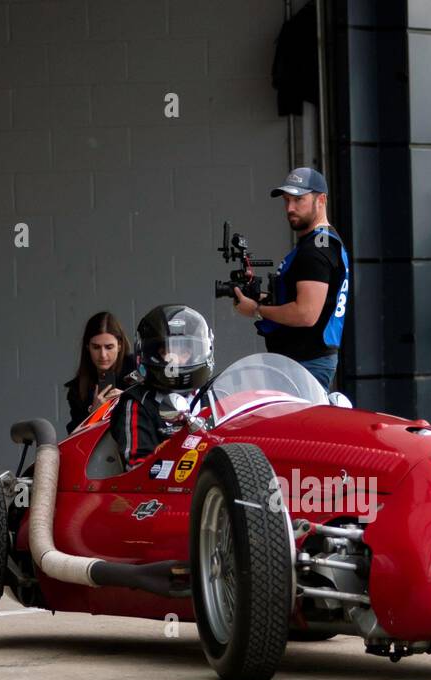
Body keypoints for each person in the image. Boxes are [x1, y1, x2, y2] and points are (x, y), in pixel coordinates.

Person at [230, 167, 350, 391]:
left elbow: (306, 313)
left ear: (321, 200)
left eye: (298, 200)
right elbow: (304, 300)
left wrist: (256, 309)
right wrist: (258, 295)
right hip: (303, 362)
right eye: (286, 200)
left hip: (306, 364)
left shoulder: (316, 248)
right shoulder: (321, 242)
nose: (290, 208)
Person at [111, 305, 215, 470]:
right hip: (162, 492)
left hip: (215, 487)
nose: (176, 360)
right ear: (153, 353)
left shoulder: (212, 396)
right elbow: (137, 467)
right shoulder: (138, 402)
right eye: (168, 351)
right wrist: (170, 451)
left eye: (184, 351)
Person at [65, 311, 131, 434]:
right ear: (87, 347)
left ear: (120, 346)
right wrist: (94, 414)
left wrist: (129, 401)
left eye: (109, 347)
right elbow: (75, 439)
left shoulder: (139, 370)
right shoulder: (77, 389)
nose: (103, 355)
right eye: (96, 347)